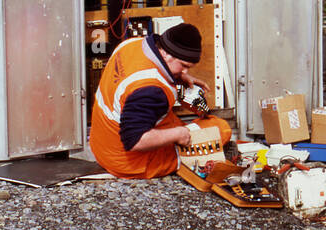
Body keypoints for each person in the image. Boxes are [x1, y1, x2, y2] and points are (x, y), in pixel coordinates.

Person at [89, 22, 231, 179]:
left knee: (172, 117)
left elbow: (137, 87)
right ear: (166, 55)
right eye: (183, 66)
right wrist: (178, 134)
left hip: (101, 145)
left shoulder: (131, 44)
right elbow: (135, 141)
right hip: (127, 161)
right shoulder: (151, 90)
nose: (185, 71)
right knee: (221, 129)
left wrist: (178, 76)